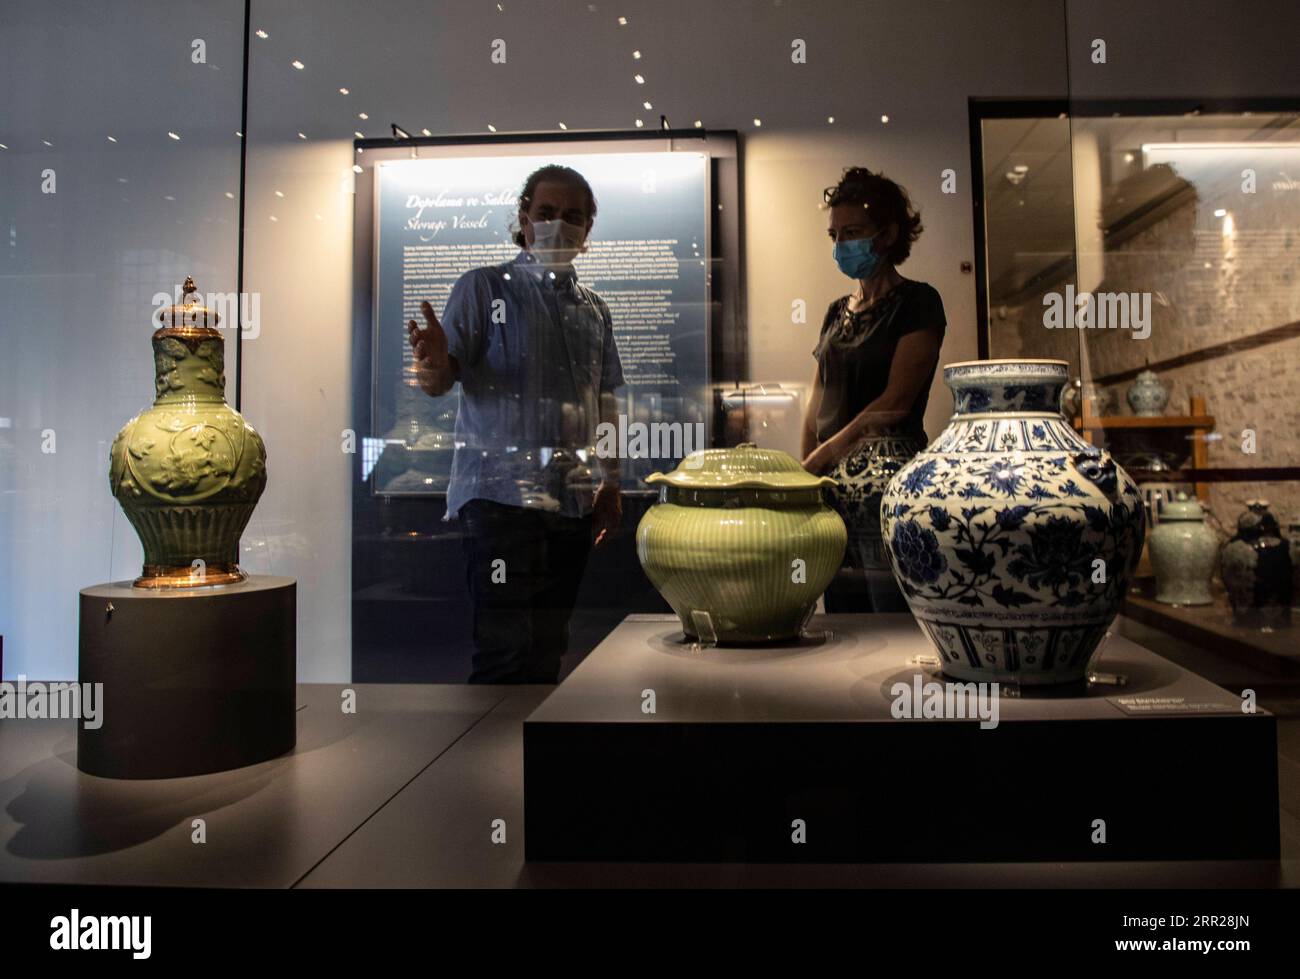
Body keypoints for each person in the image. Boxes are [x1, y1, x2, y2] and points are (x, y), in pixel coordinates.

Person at [407, 164, 624, 683]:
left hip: (570, 501)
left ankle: (532, 762)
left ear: (588, 231)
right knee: (504, 653)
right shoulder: (484, 288)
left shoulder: (595, 310)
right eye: (546, 212)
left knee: (549, 650)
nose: (558, 225)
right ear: (524, 218)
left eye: (572, 217)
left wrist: (611, 481)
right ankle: (489, 764)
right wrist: (433, 361)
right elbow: (440, 382)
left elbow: (605, 402)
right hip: (500, 502)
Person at [802, 166, 946, 612]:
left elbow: (895, 403)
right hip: (830, 488)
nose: (842, 244)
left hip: (888, 483)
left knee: (892, 617)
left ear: (887, 235)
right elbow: (817, 398)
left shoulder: (919, 301)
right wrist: (804, 470)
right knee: (842, 616)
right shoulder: (834, 311)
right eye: (835, 234)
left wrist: (820, 459)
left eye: (853, 232)